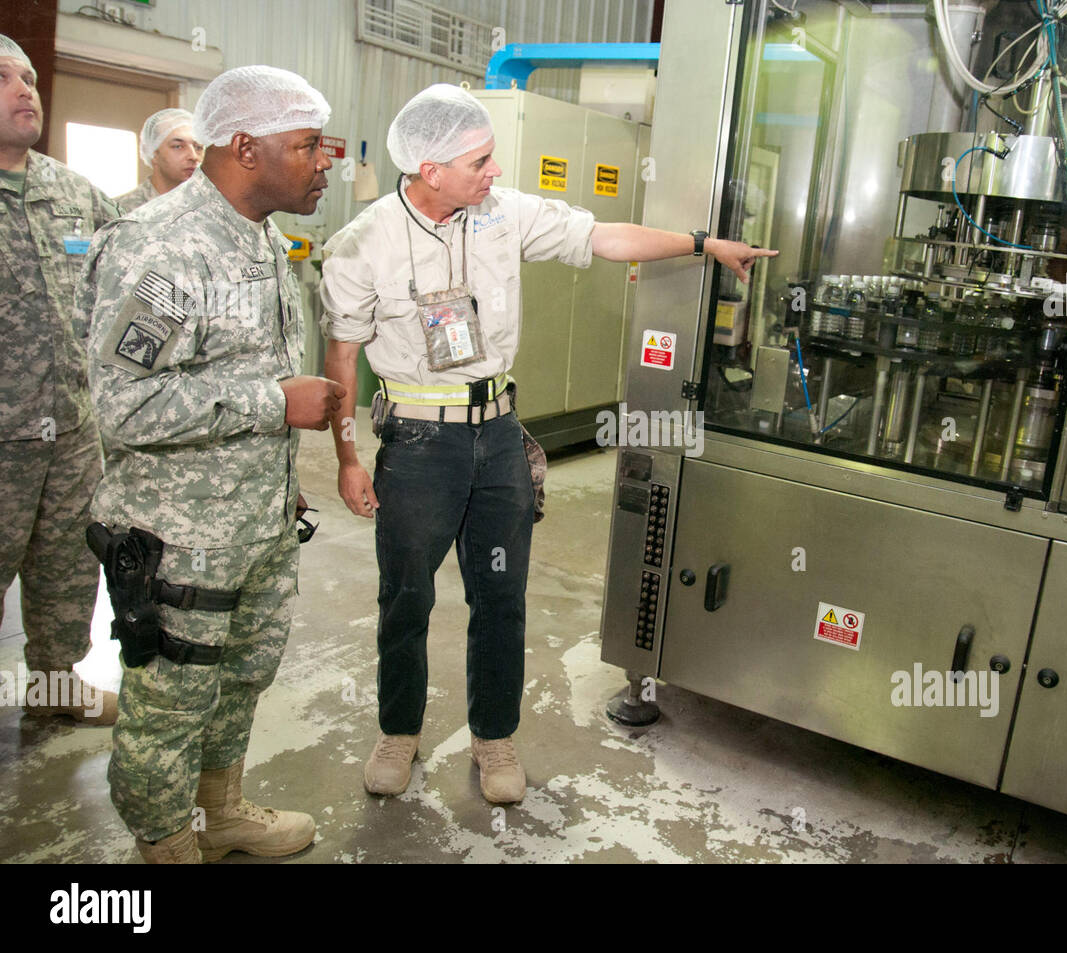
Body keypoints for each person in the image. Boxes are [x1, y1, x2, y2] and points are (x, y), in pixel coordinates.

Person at [321, 84, 776, 803]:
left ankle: (494, 737)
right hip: (415, 446)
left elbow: (603, 237)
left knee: (500, 596)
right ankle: (398, 733)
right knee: (405, 598)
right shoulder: (364, 242)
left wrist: (701, 244)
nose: (495, 170)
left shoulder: (502, 215)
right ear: (431, 169)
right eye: (481, 160)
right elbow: (341, 360)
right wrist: (349, 457)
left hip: (498, 439)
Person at [81, 65, 344, 863]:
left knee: (241, 675)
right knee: (171, 698)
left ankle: (218, 812)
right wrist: (274, 401)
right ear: (244, 148)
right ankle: (163, 841)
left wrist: (278, 475)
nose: (325, 161)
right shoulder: (162, 248)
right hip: (178, 536)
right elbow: (121, 409)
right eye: (307, 146)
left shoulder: (264, 238)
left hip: (256, 524)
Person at [0, 34, 118, 725]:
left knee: (68, 569)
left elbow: (135, 267)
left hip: (71, 431)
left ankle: (53, 687)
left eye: (29, 77)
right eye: (4, 78)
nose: (25, 88)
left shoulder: (70, 192)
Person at [115, 107, 202, 213]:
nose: (193, 156)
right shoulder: (122, 211)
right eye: (178, 146)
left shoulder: (208, 208)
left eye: (198, 147)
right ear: (154, 153)